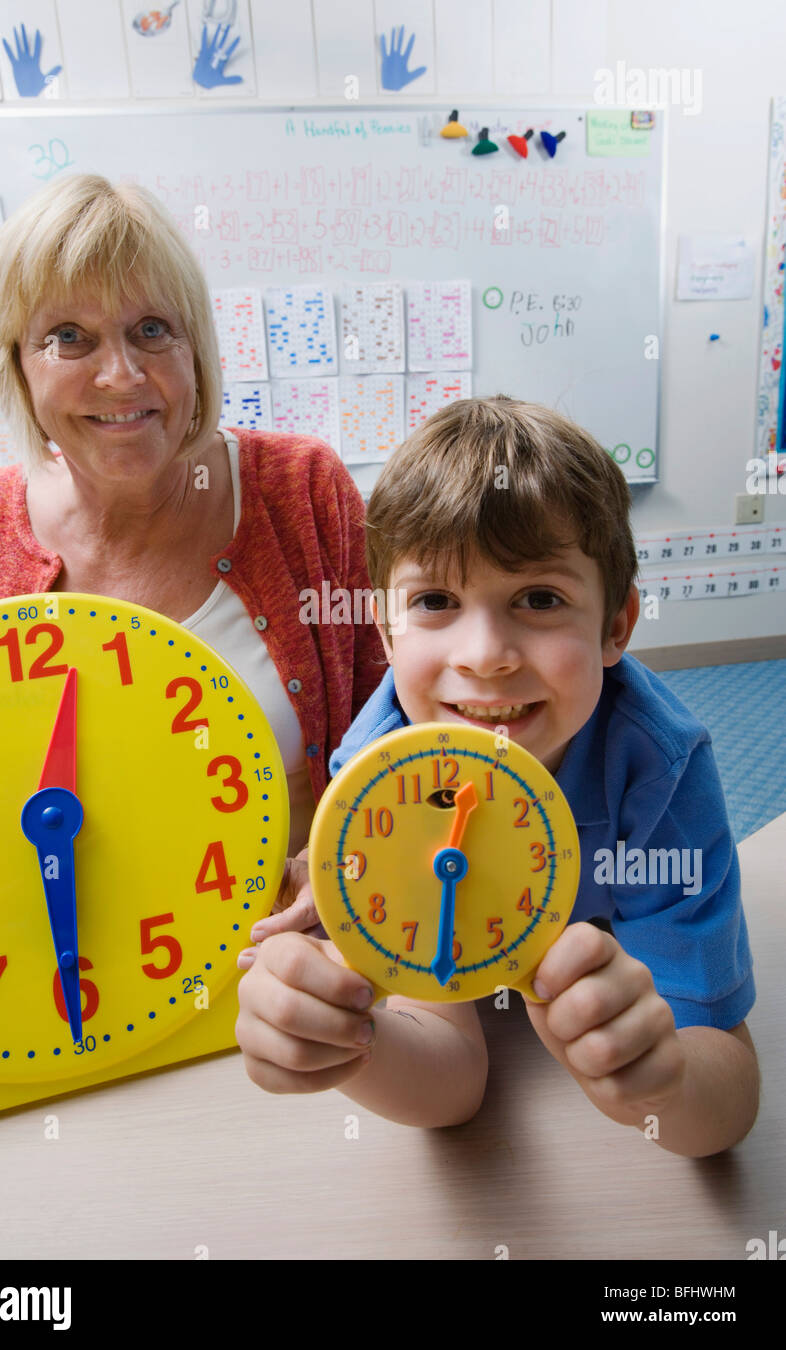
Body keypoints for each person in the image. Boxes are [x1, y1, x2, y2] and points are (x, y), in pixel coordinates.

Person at [235, 397, 760, 1154]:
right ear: (386, 629)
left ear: (616, 626)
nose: (485, 655)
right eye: (436, 602)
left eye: (539, 599)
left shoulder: (661, 773)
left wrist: (665, 1081)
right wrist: (348, 1038)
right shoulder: (375, 781)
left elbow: (727, 1104)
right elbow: (453, 1087)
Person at [0, 173, 386, 864]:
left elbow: (389, 729)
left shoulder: (302, 491)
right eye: (69, 337)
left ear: (194, 351)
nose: (122, 375)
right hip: (74, 955)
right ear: (16, 366)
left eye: (151, 330)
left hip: (292, 958)